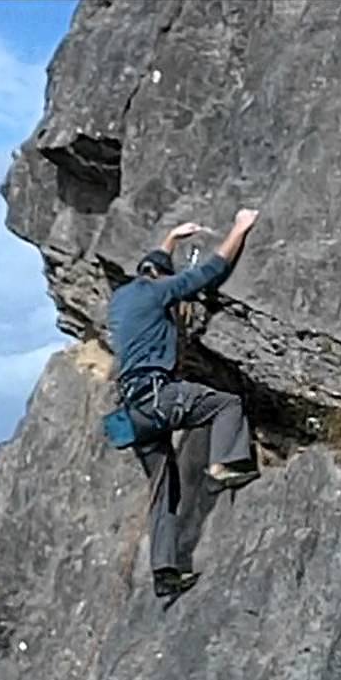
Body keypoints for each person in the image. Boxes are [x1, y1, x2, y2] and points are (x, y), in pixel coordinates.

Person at [107, 208, 262, 597]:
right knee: (226, 405)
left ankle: (165, 572)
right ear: (161, 277)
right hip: (160, 396)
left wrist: (173, 237)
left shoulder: (122, 299)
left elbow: (156, 262)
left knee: (163, 491)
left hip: (133, 411)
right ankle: (224, 463)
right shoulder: (159, 290)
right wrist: (239, 228)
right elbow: (211, 271)